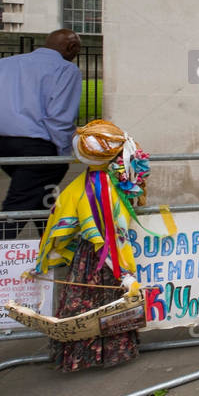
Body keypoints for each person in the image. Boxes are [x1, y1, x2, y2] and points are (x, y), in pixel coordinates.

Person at [34, 120, 147, 372]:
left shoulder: (87, 184)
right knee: (106, 304)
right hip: (102, 254)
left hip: (87, 257)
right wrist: (124, 273)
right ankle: (105, 353)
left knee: (91, 305)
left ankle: (84, 354)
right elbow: (106, 233)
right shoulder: (103, 188)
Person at [0, 29, 82, 240]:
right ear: (71, 47)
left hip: (3, 146)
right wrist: (65, 152)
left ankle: (56, 245)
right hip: (39, 148)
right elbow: (59, 118)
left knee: (40, 196)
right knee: (19, 205)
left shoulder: (6, 64)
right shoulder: (66, 70)